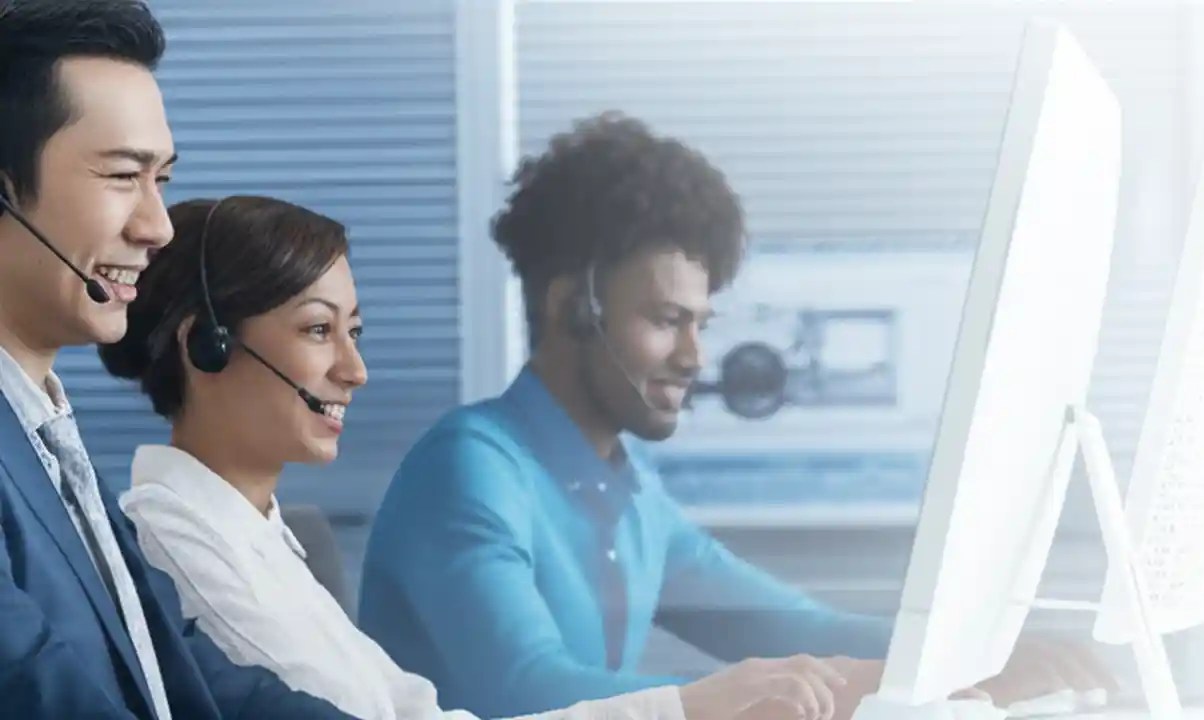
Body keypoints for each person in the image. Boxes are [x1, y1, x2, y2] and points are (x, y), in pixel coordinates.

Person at [358, 112, 1114, 719]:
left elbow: (786, 623)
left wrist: (974, 660)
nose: (694, 356)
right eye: (665, 319)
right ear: (573, 307)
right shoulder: (470, 469)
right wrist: (715, 701)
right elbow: (526, 694)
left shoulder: (628, 493)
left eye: (702, 324)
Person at [100, 194, 874, 720]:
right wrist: (698, 703)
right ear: (207, 344)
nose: (355, 370)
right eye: (315, 331)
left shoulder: (260, 536)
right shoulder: (174, 542)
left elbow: (416, 712)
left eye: (355, 333)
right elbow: (517, 689)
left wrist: (924, 665)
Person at [0, 1, 356, 717]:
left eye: (160, 180)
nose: (157, 226)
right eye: (123, 176)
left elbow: (195, 679)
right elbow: (37, 691)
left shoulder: (54, 453)